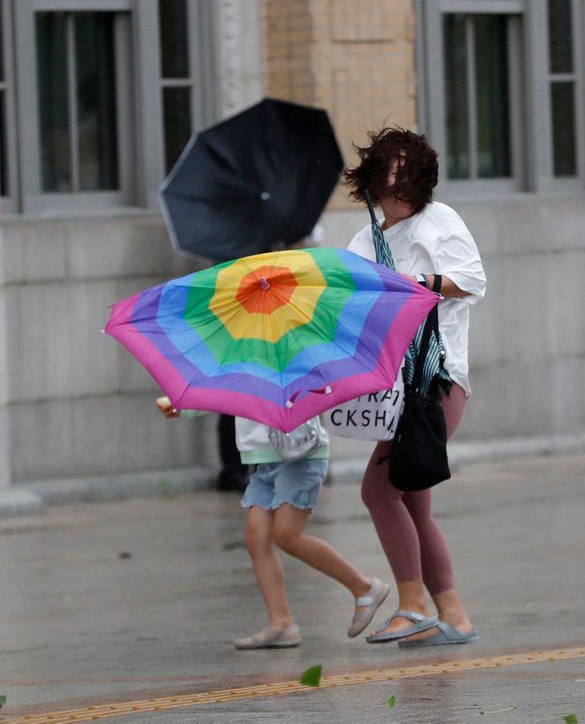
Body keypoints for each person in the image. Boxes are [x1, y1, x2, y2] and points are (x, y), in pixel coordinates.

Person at [344, 127, 486, 648]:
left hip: (436, 381)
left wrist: (422, 286)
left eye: (408, 170)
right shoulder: (365, 242)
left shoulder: (438, 220)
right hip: (389, 386)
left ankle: (411, 605)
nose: (398, 181)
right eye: (390, 170)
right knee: (413, 499)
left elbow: (471, 280)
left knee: (379, 489)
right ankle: (455, 615)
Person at [156, 398, 389, 649]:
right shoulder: (244, 360)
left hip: (300, 456)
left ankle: (364, 587)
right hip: (265, 460)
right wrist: (184, 406)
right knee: (256, 537)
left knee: (287, 535)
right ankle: (281, 623)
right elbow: (225, 390)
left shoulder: (289, 359)